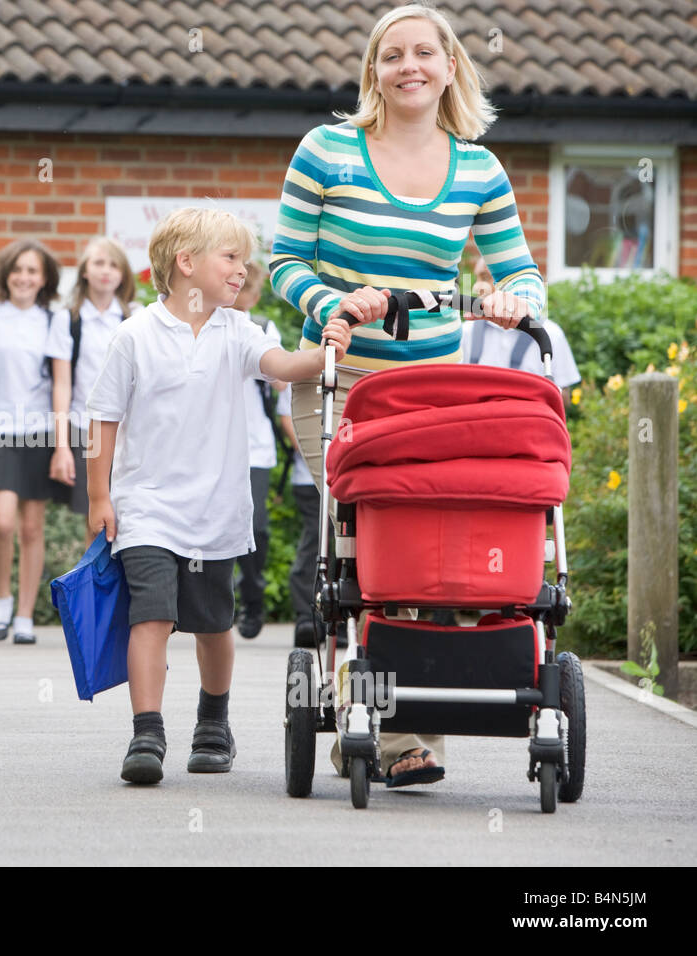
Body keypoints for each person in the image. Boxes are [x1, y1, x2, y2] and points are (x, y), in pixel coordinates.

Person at [268, 3, 546, 787]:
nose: (409, 67)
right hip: (344, 383)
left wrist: (513, 299)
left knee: (425, 552)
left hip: (431, 392)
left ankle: (404, 727)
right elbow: (285, 259)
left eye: (425, 53)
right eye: (393, 56)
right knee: (367, 552)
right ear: (374, 72)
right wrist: (335, 302)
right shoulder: (327, 151)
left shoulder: (478, 170)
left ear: (451, 66)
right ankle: (389, 737)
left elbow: (518, 268)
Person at [87, 206, 352, 785]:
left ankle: (213, 722)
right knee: (150, 616)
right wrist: (98, 498)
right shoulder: (134, 335)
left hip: (216, 512)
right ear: (186, 264)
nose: (242, 271)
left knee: (212, 624)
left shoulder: (238, 331)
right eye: (231, 259)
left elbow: (281, 365)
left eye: (244, 260)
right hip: (147, 508)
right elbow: (102, 419)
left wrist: (326, 348)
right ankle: (147, 731)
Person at [0, 239, 72, 646]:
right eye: (17, 270)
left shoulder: (54, 320)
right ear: (5, 275)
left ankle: (25, 615)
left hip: (40, 432)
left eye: (33, 271)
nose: (24, 277)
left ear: (45, 279)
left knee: (32, 526)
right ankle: (1, 600)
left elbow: (62, 383)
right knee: (3, 523)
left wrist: (62, 445)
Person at [48, 236, 137, 526]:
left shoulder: (133, 318)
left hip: (131, 435)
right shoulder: (67, 320)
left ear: (122, 274)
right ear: (84, 271)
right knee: (97, 522)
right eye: (98, 263)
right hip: (86, 430)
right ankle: (97, 575)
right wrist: (62, 446)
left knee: (129, 518)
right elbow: (61, 386)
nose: (106, 270)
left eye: (113, 265)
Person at [231, 262, 282, 639]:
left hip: (256, 446)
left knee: (256, 526)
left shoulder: (262, 328)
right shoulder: (206, 324)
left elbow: (280, 379)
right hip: (214, 446)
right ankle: (218, 597)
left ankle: (252, 594)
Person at [463, 254, 580, 411]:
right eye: (477, 278)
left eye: (485, 277)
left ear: (513, 282)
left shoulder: (550, 334)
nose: (476, 287)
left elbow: (562, 397)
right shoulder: (467, 331)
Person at [276, 384, 323, 649]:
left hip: (345, 472)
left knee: (344, 542)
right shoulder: (302, 360)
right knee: (316, 538)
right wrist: (314, 457)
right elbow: (286, 415)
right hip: (309, 476)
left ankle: (334, 616)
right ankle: (306, 615)